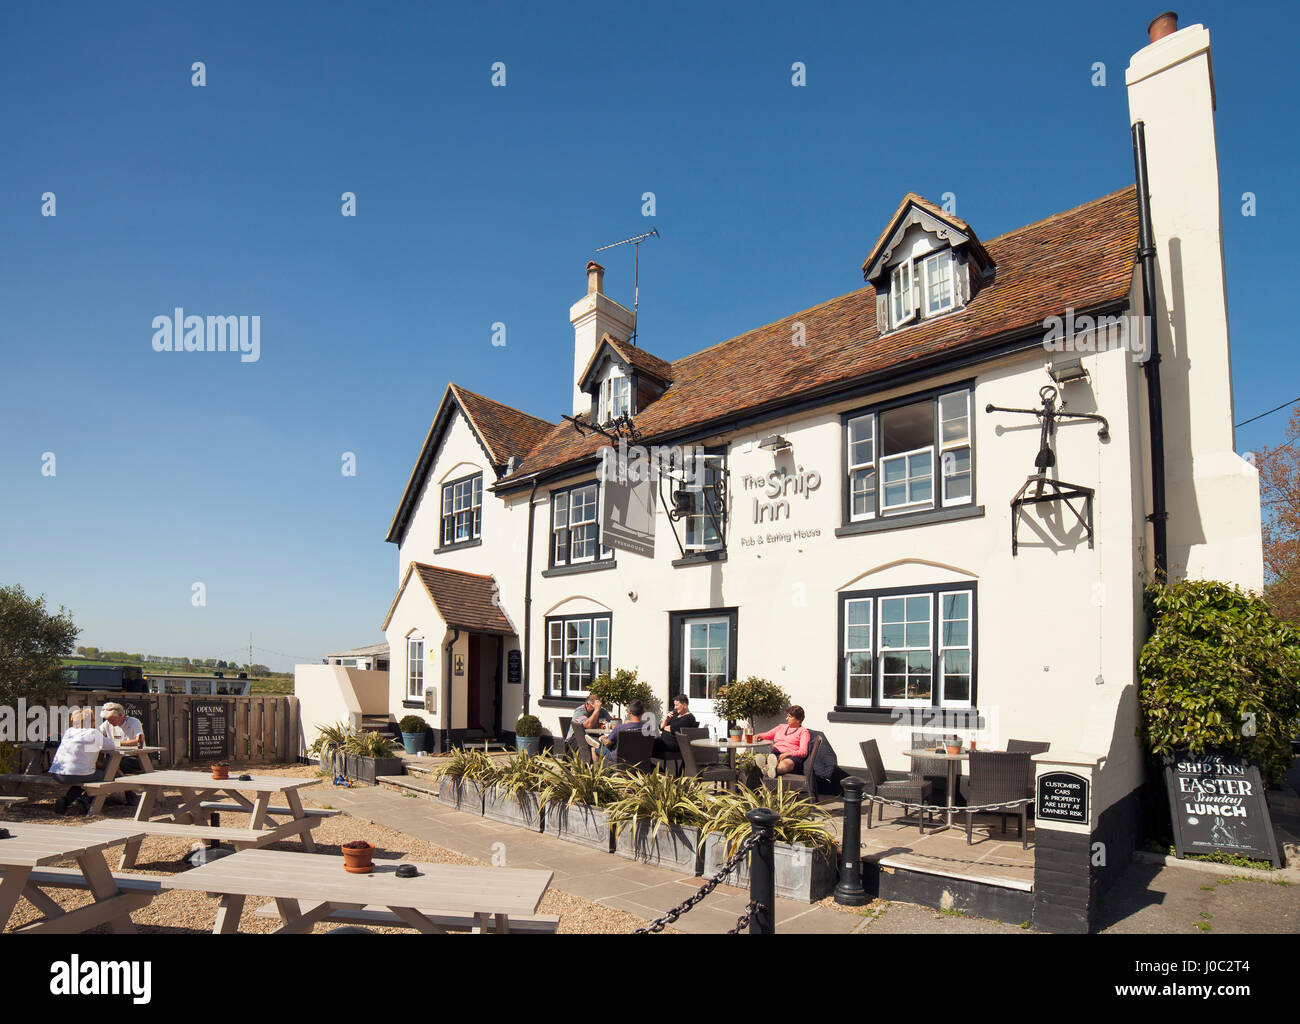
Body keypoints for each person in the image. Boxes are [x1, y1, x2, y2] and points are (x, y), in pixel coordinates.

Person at [49, 706, 116, 815]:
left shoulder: (69, 732)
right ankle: (84, 800)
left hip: (57, 774)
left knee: (82, 777)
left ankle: (66, 800)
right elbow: (111, 746)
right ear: (92, 721)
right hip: (78, 773)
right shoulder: (93, 733)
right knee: (106, 775)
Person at [756, 705, 811, 778]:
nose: (786, 719)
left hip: (791, 757)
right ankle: (768, 768)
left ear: (798, 720)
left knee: (784, 764)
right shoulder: (781, 727)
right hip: (776, 754)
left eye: (790, 717)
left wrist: (787, 754)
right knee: (774, 761)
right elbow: (768, 735)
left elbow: (803, 752)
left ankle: (774, 770)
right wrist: (758, 736)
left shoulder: (803, 732)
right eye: (787, 716)